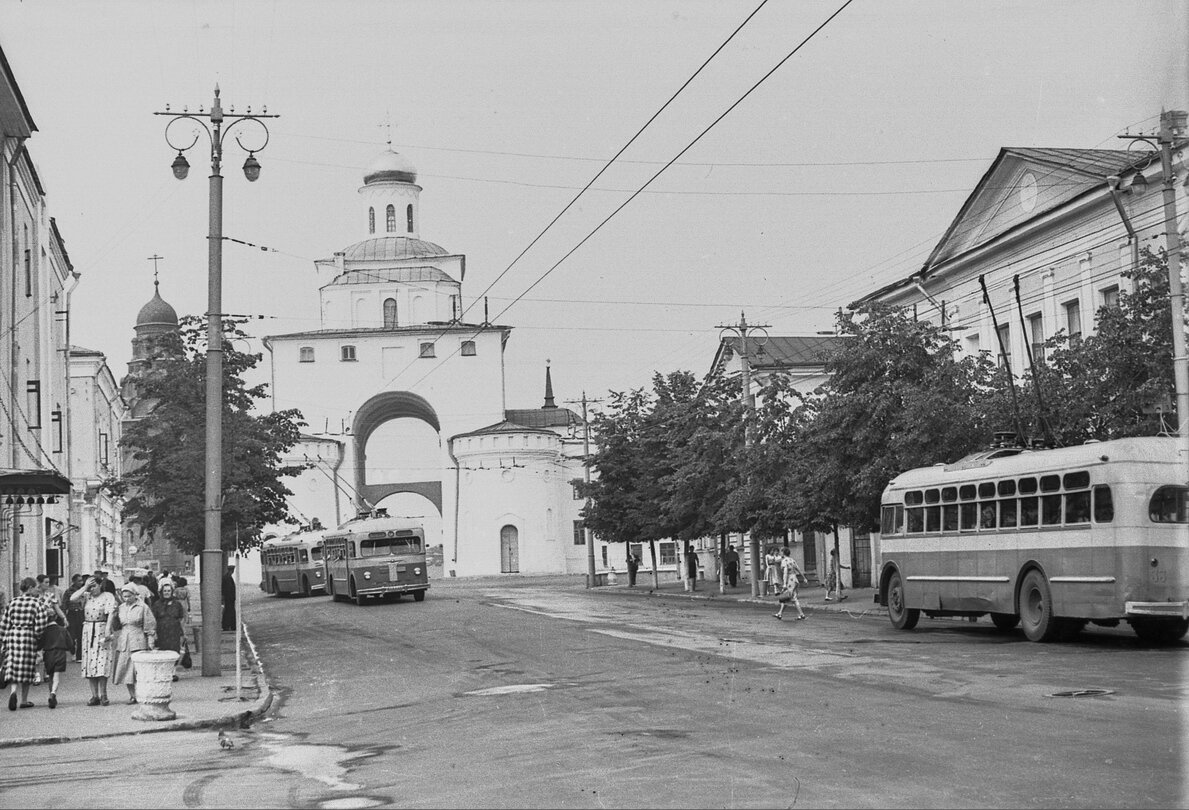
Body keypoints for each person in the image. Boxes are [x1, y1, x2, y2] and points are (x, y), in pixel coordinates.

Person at [0, 577, 52, 709]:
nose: (36, 590)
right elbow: (41, 623)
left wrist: (4, 639)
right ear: (29, 588)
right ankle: (23, 699)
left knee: (13, 666)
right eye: (35, 587)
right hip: (28, 635)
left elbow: (4, 623)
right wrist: (37, 634)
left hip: (13, 635)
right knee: (27, 667)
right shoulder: (36, 603)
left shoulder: (12, 602)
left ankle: (12, 692)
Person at [107, 583, 157, 704]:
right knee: (125, 668)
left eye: (129, 596)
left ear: (135, 595)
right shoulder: (121, 607)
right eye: (124, 596)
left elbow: (150, 624)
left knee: (138, 670)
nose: (127, 598)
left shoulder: (142, 607)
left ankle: (142, 694)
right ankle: (132, 695)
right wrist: (112, 615)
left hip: (138, 639)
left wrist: (150, 640)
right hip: (124, 640)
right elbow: (117, 625)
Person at [71, 576, 117, 706]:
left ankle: (103, 694)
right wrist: (85, 587)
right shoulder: (86, 595)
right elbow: (72, 598)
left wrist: (108, 629)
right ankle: (94, 695)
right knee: (90, 664)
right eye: (90, 586)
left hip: (101, 629)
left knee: (102, 663)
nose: (92, 589)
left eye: (94, 586)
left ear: (100, 585)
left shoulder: (107, 596)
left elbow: (111, 614)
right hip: (88, 630)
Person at [151, 581, 186, 682]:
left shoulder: (177, 604)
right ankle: (163, 673)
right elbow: (153, 619)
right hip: (161, 631)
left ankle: (173, 672)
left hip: (174, 631)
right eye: (165, 591)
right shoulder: (157, 604)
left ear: (172, 592)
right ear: (161, 592)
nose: (167, 592)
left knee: (174, 650)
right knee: (162, 650)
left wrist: (183, 632)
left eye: (169, 591)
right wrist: (154, 633)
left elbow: (181, 618)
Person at [39, 614, 73, 709]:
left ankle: (51, 694)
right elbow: (70, 643)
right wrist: (72, 651)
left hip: (49, 654)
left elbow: (40, 644)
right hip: (60, 653)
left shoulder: (45, 631)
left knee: (50, 675)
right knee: (56, 675)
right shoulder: (63, 630)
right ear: (55, 618)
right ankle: (53, 693)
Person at [773, 547, 807, 621]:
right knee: (789, 598)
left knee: (791, 598)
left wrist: (784, 584)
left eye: (781, 552)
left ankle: (802, 614)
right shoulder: (792, 560)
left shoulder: (784, 561)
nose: (780, 553)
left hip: (790, 580)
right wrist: (804, 577)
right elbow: (798, 569)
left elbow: (785, 573)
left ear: (783, 553)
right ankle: (780, 614)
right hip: (795, 579)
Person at [62, 574, 86, 662]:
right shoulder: (68, 591)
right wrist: (64, 616)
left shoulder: (83, 591)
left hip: (81, 613)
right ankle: (72, 651)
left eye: (81, 580)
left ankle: (79, 656)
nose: (81, 582)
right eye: (79, 581)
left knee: (81, 635)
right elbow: (64, 604)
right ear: (74, 581)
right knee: (71, 635)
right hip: (72, 614)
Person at [222, 565, 238, 631]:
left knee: (228, 612)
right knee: (229, 612)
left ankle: (228, 625)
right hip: (229, 598)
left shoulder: (227, 577)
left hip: (229, 598)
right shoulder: (227, 577)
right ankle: (229, 625)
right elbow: (228, 589)